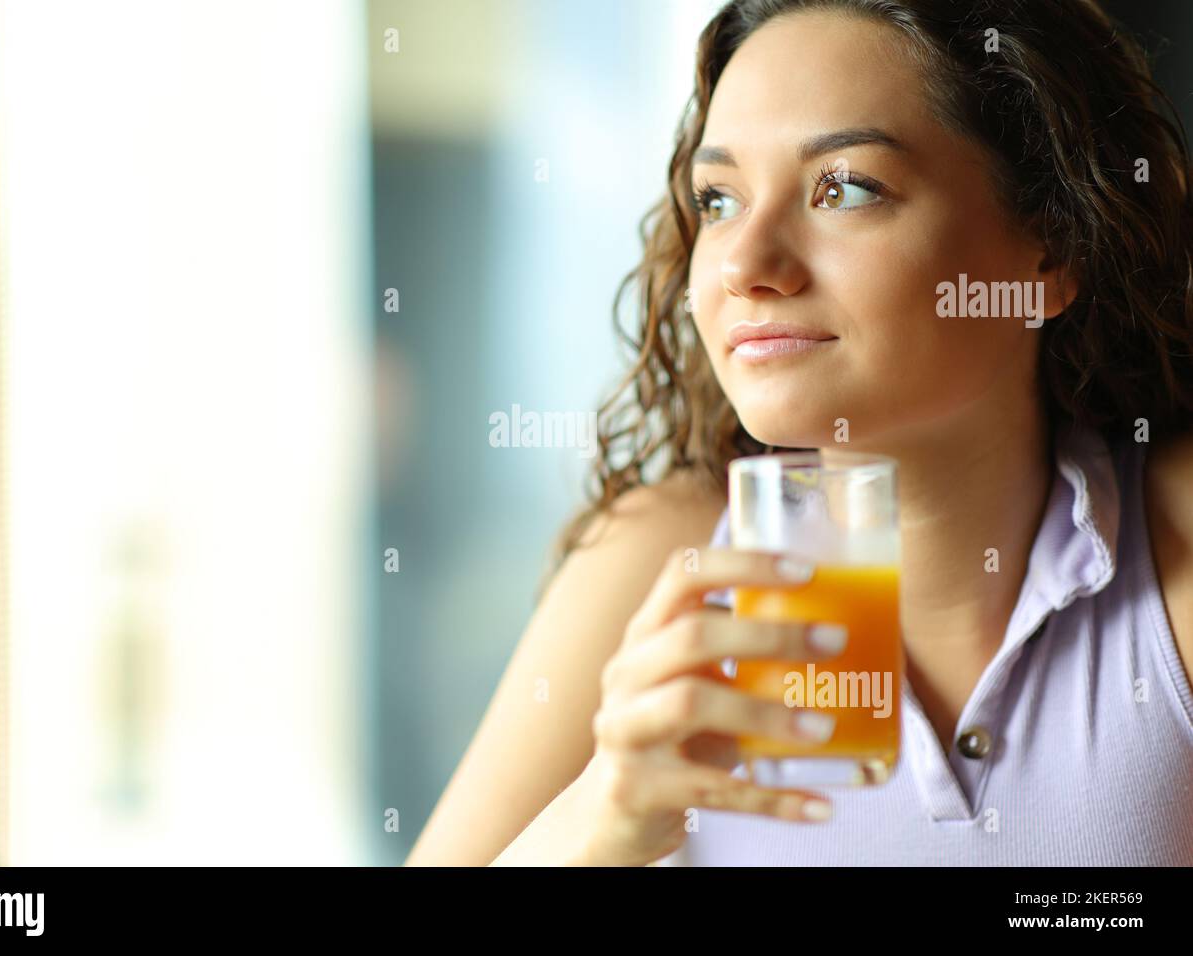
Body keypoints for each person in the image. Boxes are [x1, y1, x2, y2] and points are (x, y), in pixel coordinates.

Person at [405, 0, 1193, 866]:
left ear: (1051, 251)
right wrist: (602, 818)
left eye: (844, 187)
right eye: (719, 199)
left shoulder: (1173, 549)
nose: (744, 263)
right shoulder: (658, 564)